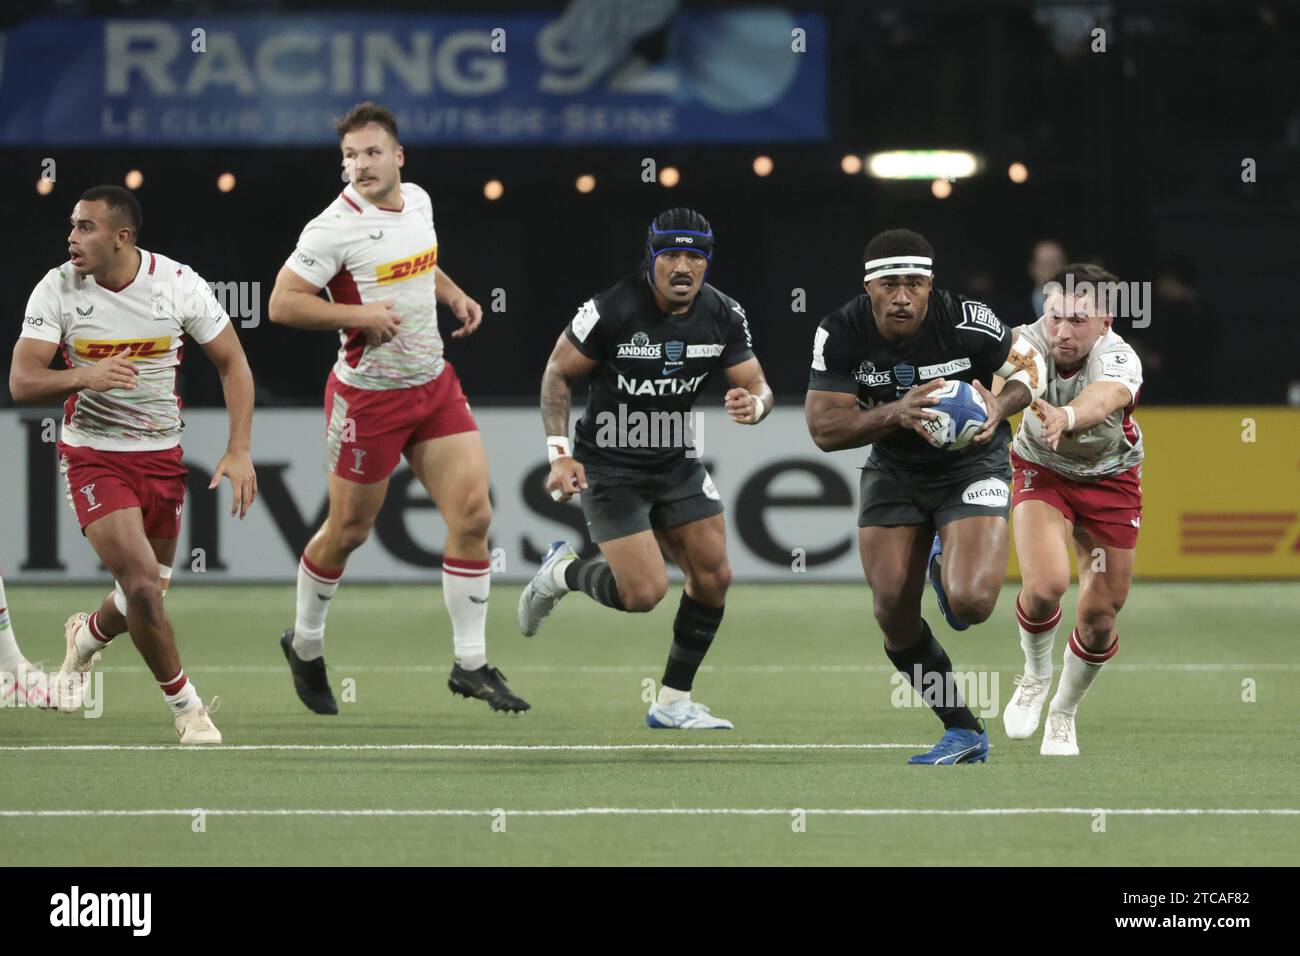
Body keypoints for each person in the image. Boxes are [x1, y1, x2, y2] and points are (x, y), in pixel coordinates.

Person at [267, 102, 527, 715]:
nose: (360, 165)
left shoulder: (418, 200)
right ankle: (304, 643)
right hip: (368, 399)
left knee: (473, 515)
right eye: (350, 156)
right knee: (350, 531)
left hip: (432, 386)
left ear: (398, 156)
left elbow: (419, 264)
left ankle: (470, 665)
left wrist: (454, 292)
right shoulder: (331, 227)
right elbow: (281, 303)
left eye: (371, 152)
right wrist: (358, 315)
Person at [10, 185, 257, 742]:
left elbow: (233, 362)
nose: (72, 237)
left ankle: (87, 637)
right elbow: (23, 382)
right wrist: (83, 375)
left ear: (121, 238)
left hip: (162, 456)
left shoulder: (176, 284)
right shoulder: (57, 288)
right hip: (94, 455)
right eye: (72, 226)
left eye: (85, 228)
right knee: (143, 587)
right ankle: (188, 709)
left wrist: (238, 449)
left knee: (144, 596)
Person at [517, 208, 773, 730]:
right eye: (671, 255)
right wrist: (559, 453)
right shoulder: (610, 308)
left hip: (675, 462)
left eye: (695, 257)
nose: (683, 267)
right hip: (610, 465)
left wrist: (758, 406)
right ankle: (561, 572)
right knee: (643, 595)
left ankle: (672, 703)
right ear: (651, 258)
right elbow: (557, 374)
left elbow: (759, 383)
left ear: (707, 262)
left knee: (714, 575)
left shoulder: (724, 313)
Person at [803, 228, 1045, 764]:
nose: (903, 296)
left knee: (972, 603)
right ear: (869, 289)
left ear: (931, 286)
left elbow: (1033, 368)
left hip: (972, 462)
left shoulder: (966, 319)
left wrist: (1001, 407)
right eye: (890, 284)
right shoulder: (841, 330)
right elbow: (823, 429)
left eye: (915, 283)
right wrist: (895, 413)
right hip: (895, 467)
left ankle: (945, 563)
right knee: (891, 610)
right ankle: (962, 728)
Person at [1003, 264, 1144, 756]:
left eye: (1078, 321)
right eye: (1055, 316)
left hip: (1111, 480)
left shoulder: (1120, 358)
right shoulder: (1025, 342)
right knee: (1045, 586)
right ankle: (1035, 674)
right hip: (1044, 470)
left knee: (1100, 618)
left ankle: (1063, 711)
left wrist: (1066, 415)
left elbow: (1103, 399)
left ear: (1105, 323)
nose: (1062, 331)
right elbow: (998, 374)